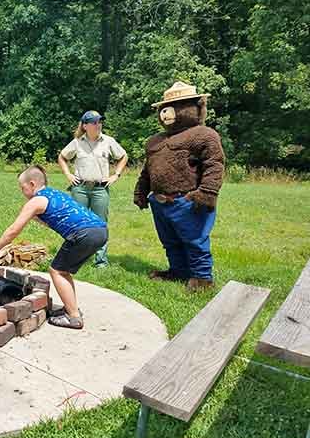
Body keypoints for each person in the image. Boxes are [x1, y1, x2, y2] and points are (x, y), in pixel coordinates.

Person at [0, 166, 108, 329]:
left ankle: (74, 317)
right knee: (63, 271)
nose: (22, 192)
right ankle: (71, 308)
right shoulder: (54, 194)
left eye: (23, 188)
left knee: (57, 271)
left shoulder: (36, 201)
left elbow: (13, 230)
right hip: (100, 230)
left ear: (32, 184)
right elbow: (55, 218)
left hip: (84, 234)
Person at [134, 81, 225, 291]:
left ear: (194, 107)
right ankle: (178, 271)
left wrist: (207, 193)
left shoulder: (203, 134)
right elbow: (148, 170)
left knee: (195, 241)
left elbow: (214, 165)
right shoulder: (155, 141)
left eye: (178, 105)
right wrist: (141, 191)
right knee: (170, 241)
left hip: (188, 200)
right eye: (165, 108)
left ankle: (202, 278)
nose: (167, 112)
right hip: (160, 201)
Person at [58, 110, 127, 268]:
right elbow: (62, 157)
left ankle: (101, 261)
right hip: (80, 188)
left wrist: (116, 175)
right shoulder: (77, 142)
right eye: (94, 122)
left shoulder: (108, 141)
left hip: (100, 189)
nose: (98, 125)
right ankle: (75, 258)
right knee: (77, 223)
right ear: (85, 125)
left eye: (99, 122)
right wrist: (68, 174)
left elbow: (123, 156)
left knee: (100, 224)